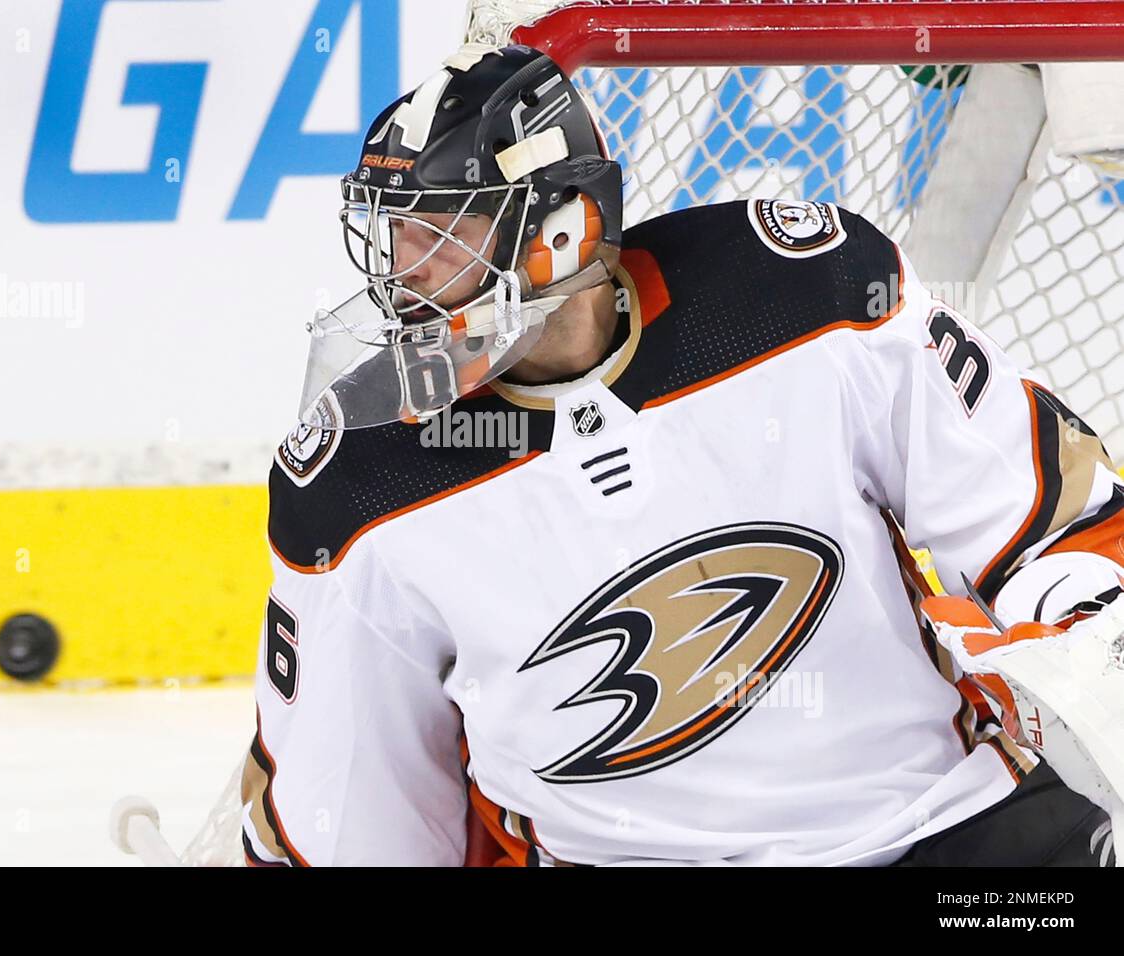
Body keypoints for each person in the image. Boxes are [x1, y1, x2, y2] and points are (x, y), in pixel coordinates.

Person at [242, 44, 1121, 866]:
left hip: (945, 830)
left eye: (446, 236)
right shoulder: (357, 485)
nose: (407, 278)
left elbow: (1051, 513)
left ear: (565, 231)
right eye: (396, 236)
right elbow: (351, 825)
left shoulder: (804, 294)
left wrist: (1092, 654)